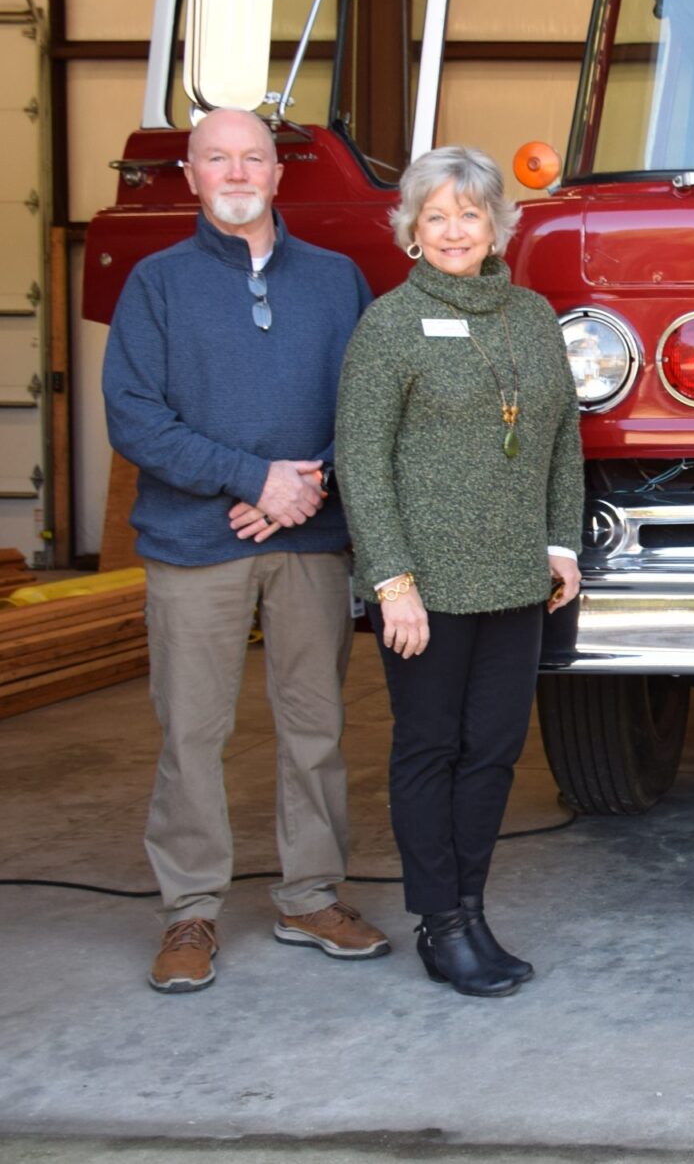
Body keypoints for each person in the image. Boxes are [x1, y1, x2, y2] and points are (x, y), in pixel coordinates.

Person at [103, 107, 388, 994]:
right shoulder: (156, 283)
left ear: (277, 173)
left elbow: (372, 405)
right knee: (192, 731)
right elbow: (134, 417)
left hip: (313, 537)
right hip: (195, 543)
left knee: (316, 727)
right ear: (191, 176)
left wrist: (310, 483)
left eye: (252, 158)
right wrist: (251, 478)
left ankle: (311, 896)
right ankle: (189, 910)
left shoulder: (337, 279)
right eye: (217, 159)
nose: (236, 173)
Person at [335, 146, 583, 998]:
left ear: (495, 226)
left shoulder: (532, 317)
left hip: (515, 578)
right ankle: (440, 923)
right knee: (430, 749)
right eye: (435, 216)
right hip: (427, 589)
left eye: (469, 214)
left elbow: (562, 439)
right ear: (411, 228)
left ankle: (469, 911)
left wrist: (561, 544)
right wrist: (391, 581)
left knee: (494, 752)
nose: (453, 231)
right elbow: (362, 462)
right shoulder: (389, 326)